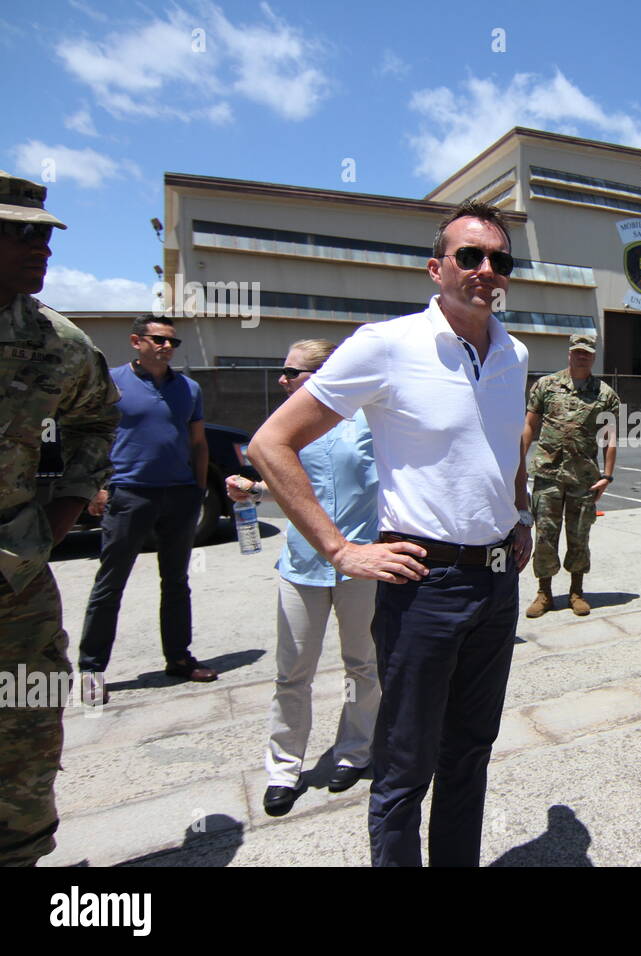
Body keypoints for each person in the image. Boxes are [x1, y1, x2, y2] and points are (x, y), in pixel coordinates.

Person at [247, 200, 533, 867]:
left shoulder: (514, 353)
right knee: (404, 765)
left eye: (500, 260)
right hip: (422, 585)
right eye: (470, 256)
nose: (486, 270)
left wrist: (518, 516)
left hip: (496, 583)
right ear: (438, 268)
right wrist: (340, 549)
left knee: (469, 754)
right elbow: (271, 444)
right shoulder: (387, 344)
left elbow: (505, 443)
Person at [0, 171, 119, 865]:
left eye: (44, 233)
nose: (39, 248)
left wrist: (57, 517)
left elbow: (97, 421)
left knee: (28, 731)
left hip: (14, 583)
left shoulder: (57, 343)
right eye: (19, 233)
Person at [226, 340, 381, 817]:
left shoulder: (370, 423)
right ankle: (283, 770)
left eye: (291, 373)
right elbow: (290, 486)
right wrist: (250, 488)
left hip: (360, 563)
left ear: (321, 376)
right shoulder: (287, 429)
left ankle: (354, 751)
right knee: (293, 672)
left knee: (362, 666)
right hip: (301, 566)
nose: (282, 380)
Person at [78, 314, 217, 694]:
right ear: (136, 342)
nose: (166, 347)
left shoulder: (189, 388)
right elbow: (92, 436)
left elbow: (199, 442)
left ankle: (179, 658)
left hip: (180, 495)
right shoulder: (113, 382)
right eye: (158, 340)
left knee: (176, 581)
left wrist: (198, 489)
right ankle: (92, 671)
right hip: (128, 494)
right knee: (111, 583)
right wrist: (96, 487)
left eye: (172, 342)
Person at [522, 332, 619, 617]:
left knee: (579, 536)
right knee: (545, 537)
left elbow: (609, 438)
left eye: (587, 352)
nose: (582, 356)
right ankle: (544, 593)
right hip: (548, 474)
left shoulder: (605, 395)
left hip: (584, 479)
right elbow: (529, 425)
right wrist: (518, 461)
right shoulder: (546, 385)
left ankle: (577, 591)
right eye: (577, 351)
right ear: (569, 353)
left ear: (593, 356)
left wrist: (607, 475)